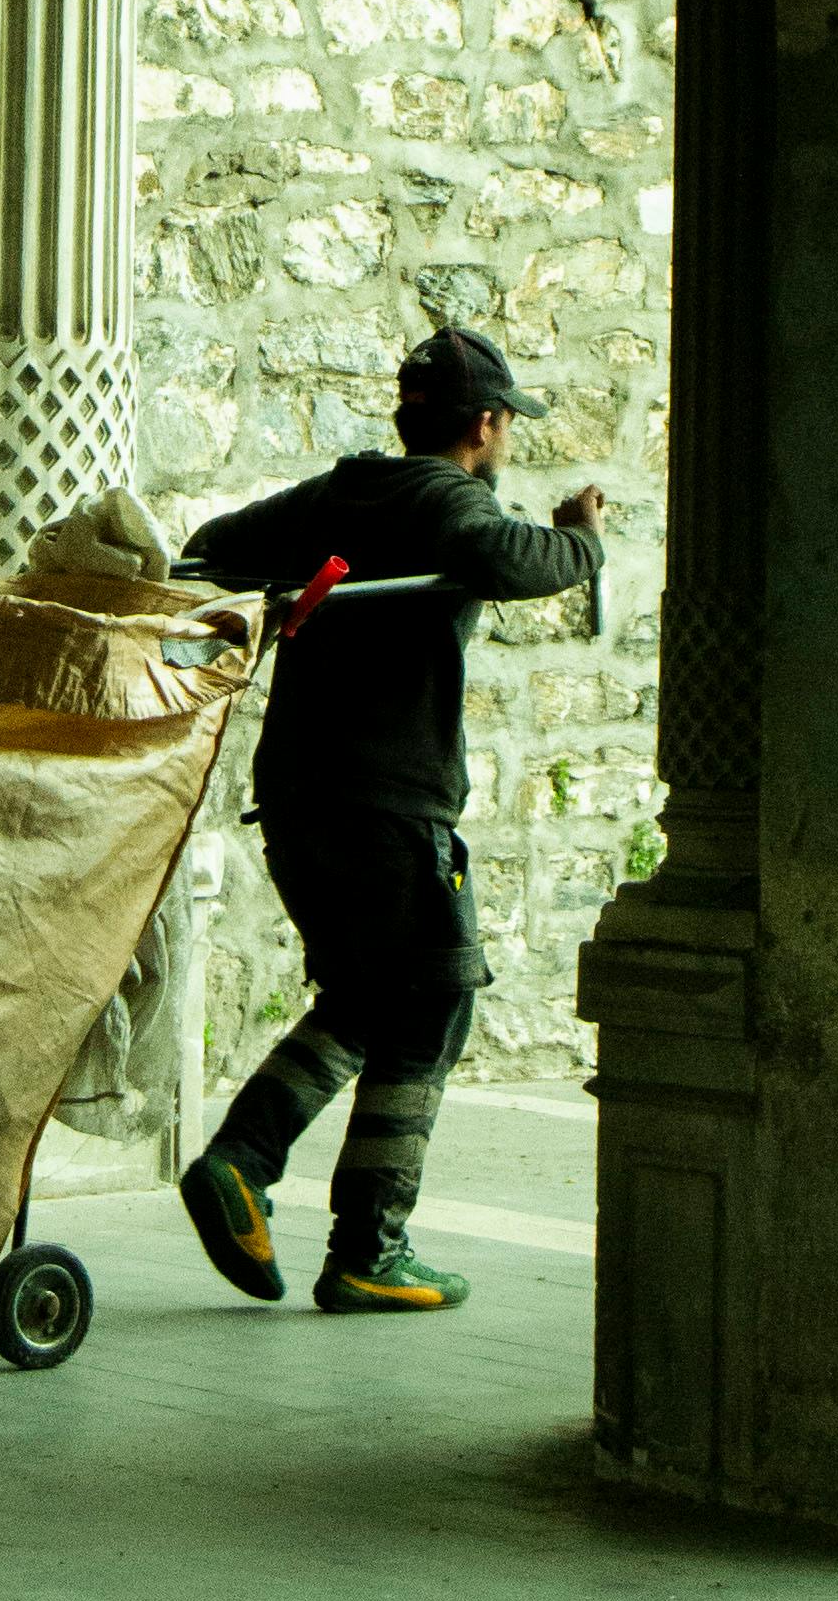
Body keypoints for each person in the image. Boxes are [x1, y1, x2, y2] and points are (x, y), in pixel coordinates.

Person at [171, 325, 605, 1313]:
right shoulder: (441, 498)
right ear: (486, 424)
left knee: (369, 999)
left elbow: (209, 550)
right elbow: (510, 556)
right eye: (505, 427)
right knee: (435, 997)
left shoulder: (337, 497)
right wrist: (582, 538)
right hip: (388, 806)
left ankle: (246, 1169)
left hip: (299, 799)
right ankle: (364, 1243)